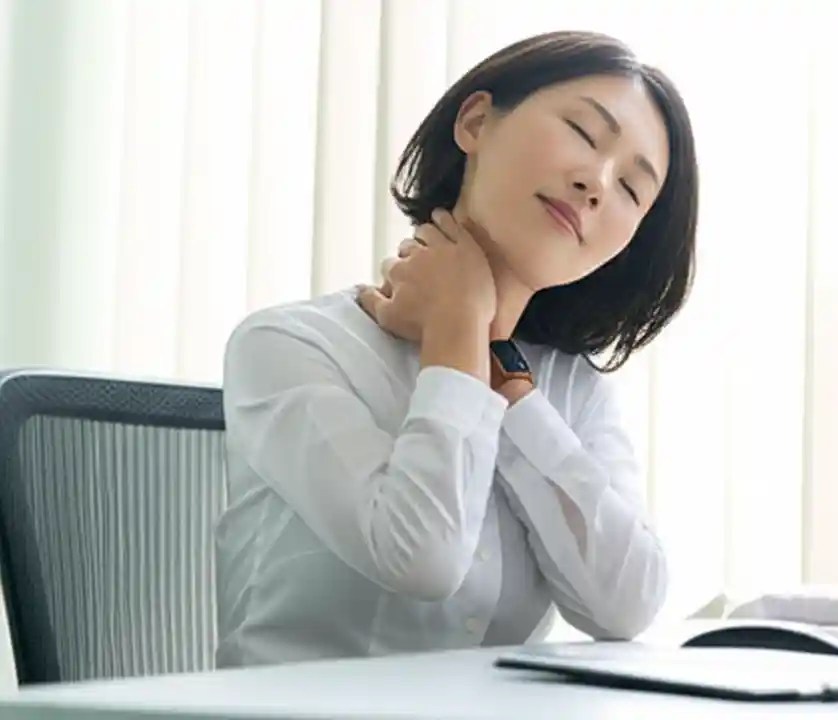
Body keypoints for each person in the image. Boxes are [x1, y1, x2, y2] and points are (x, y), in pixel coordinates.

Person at [213, 30, 699, 668]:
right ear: (475, 122)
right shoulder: (288, 347)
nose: (597, 184)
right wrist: (457, 328)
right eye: (583, 133)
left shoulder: (572, 391)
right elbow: (422, 556)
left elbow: (625, 604)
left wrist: (499, 363)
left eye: (632, 191)